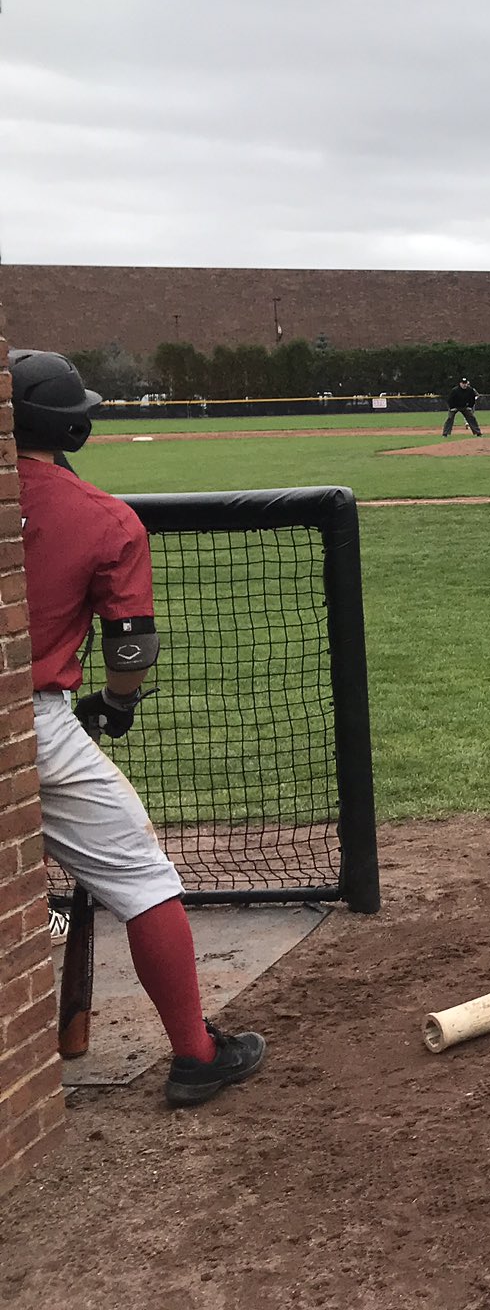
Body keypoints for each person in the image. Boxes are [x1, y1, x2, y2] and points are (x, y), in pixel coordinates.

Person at [11, 349, 268, 1107]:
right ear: (73, 426)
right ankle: (197, 1056)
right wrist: (116, 704)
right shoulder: (101, 517)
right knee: (145, 881)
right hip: (31, 723)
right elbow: (131, 645)